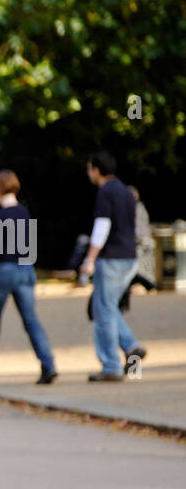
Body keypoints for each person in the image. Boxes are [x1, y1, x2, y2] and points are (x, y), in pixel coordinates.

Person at [0, 170, 57, 386]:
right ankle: (48, 364)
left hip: (4, 271)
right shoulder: (24, 212)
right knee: (31, 320)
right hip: (25, 270)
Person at [79, 151, 147, 382]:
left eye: (89, 169)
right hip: (129, 257)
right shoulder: (127, 192)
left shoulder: (105, 192)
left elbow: (102, 226)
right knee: (107, 307)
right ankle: (130, 345)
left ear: (97, 170)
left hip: (111, 259)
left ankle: (111, 366)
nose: (89, 173)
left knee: (103, 312)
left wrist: (89, 258)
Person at [129, 186, 156, 292]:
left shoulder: (134, 208)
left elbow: (136, 227)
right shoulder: (140, 207)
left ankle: (148, 285)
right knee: (147, 265)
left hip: (141, 241)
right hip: (147, 239)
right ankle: (149, 284)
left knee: (136, 265)